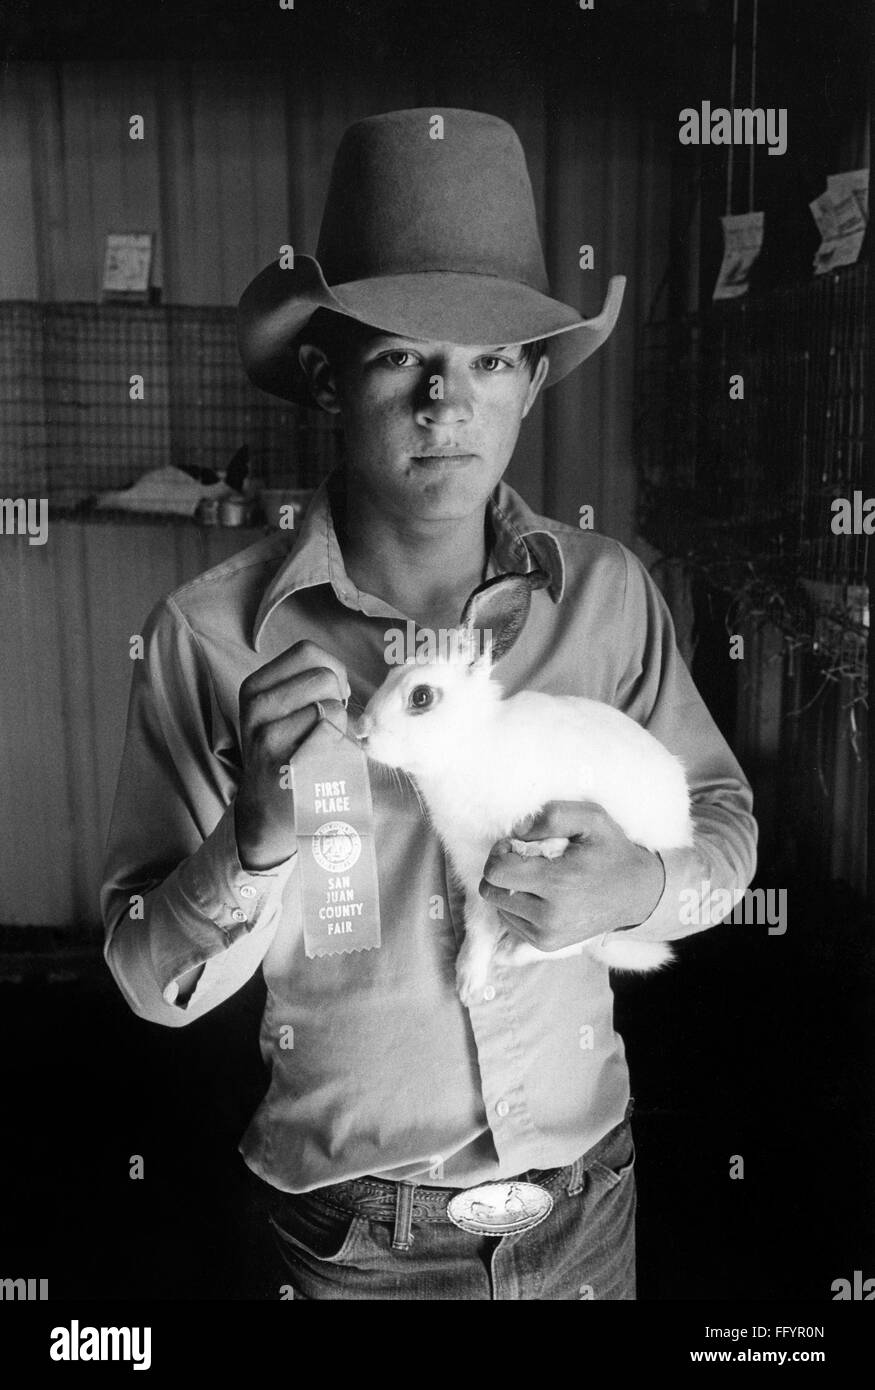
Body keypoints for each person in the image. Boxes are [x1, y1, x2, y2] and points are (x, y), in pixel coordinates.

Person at [101, 108, 757, 1301]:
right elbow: (149, 982)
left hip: (583, 1212)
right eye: (402, 354)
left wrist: (646, 885)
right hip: (349, 1244)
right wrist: (249, 845)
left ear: (531, 384)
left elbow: (723, 823)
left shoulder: (604, 595)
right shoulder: (208, 637)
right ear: (326, 376)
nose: (445, 402)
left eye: (490, 359)